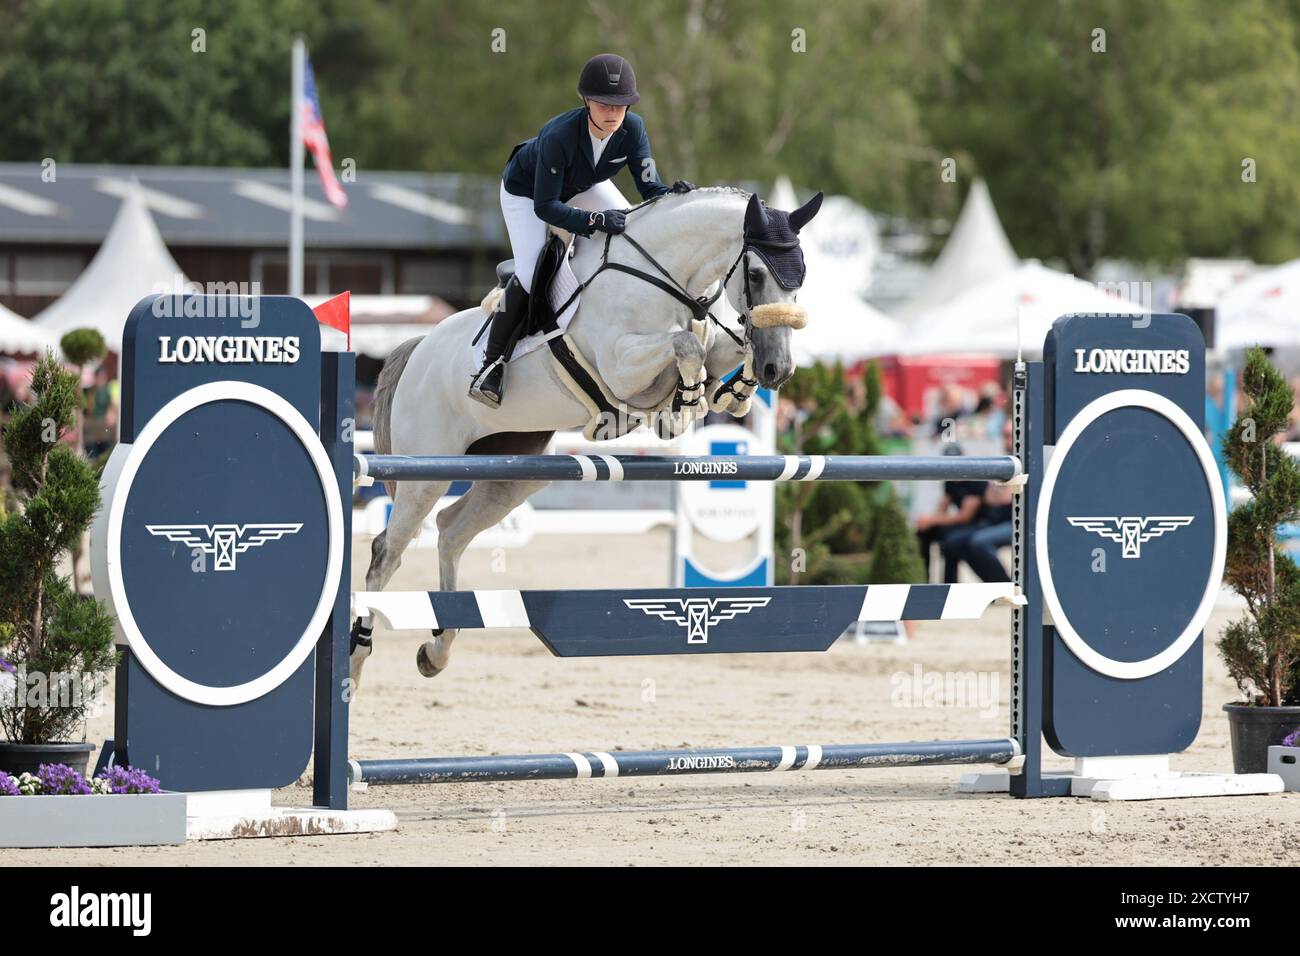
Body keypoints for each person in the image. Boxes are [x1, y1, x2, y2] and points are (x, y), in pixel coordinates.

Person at [472, 53, 696, 408]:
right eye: (604, 104)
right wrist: (594, 221)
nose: (613, 113)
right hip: (526, 192)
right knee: (531, 274)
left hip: (582, 184)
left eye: (620, 105)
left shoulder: (633, 129)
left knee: (631, 232)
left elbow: (650, 189)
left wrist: (675, 196)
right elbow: (546, 208)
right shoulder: (559, 135)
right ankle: (489, 363)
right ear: (586, 101)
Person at [914, 444, 986, 583]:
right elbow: (943, 507)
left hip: (980, 523)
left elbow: (965, 516)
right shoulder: (950, 480)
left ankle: (949, 585)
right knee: (924, 532)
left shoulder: (974, 479)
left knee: (951, 542)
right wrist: (929, 521)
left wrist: (932, 520)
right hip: (963, 525)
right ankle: (923, 581)